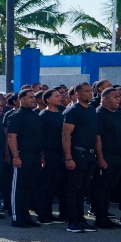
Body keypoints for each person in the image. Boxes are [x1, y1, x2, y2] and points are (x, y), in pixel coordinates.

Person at [61, 82, 99, 233]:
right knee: (73, 188)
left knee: (83, 189)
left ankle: (81, 219)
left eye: (90, 91)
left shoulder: (92, 110)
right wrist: (68, 158)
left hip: (90, 154)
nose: (90, 93)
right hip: (77, 154)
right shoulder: (72, 111)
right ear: (77, 94)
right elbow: (66, 135)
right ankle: (72, 222)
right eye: (86, 91)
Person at [5, 88, 44, 228]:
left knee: (29, 188)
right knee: (19, 188)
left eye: (34, 97)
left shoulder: (35, 115)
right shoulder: (16, 115)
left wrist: (41, 156)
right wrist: (15, 156)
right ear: (21, 99)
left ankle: (26, 216)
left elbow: (38, 137)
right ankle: (17, 217)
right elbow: (11, 137)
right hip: (22, 155)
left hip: (35, 156)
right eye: (30, 97)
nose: (34, 99)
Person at [91, 87, 121, 229]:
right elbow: (98, 138)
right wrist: (100, 158)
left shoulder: (117, 114)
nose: (119, 99)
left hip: (118, 157)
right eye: (115, 97)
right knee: (101, 188)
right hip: (106, 156)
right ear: (104, 99)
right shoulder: (99, 114)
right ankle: (100, 218)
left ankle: (105, 216)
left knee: (109, 189)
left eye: (119, 96)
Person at [38, 88, 69, 223]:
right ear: (48, 99)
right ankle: (43, 214)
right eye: (56, 96)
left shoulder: (62, 114)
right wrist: (42, 155)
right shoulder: (43, 115)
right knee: (46, 186)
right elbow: (39, 137)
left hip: (60, 154)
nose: (60, 97)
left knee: (58, 185)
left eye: (60, 95)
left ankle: (61, 213)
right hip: (48, 154)